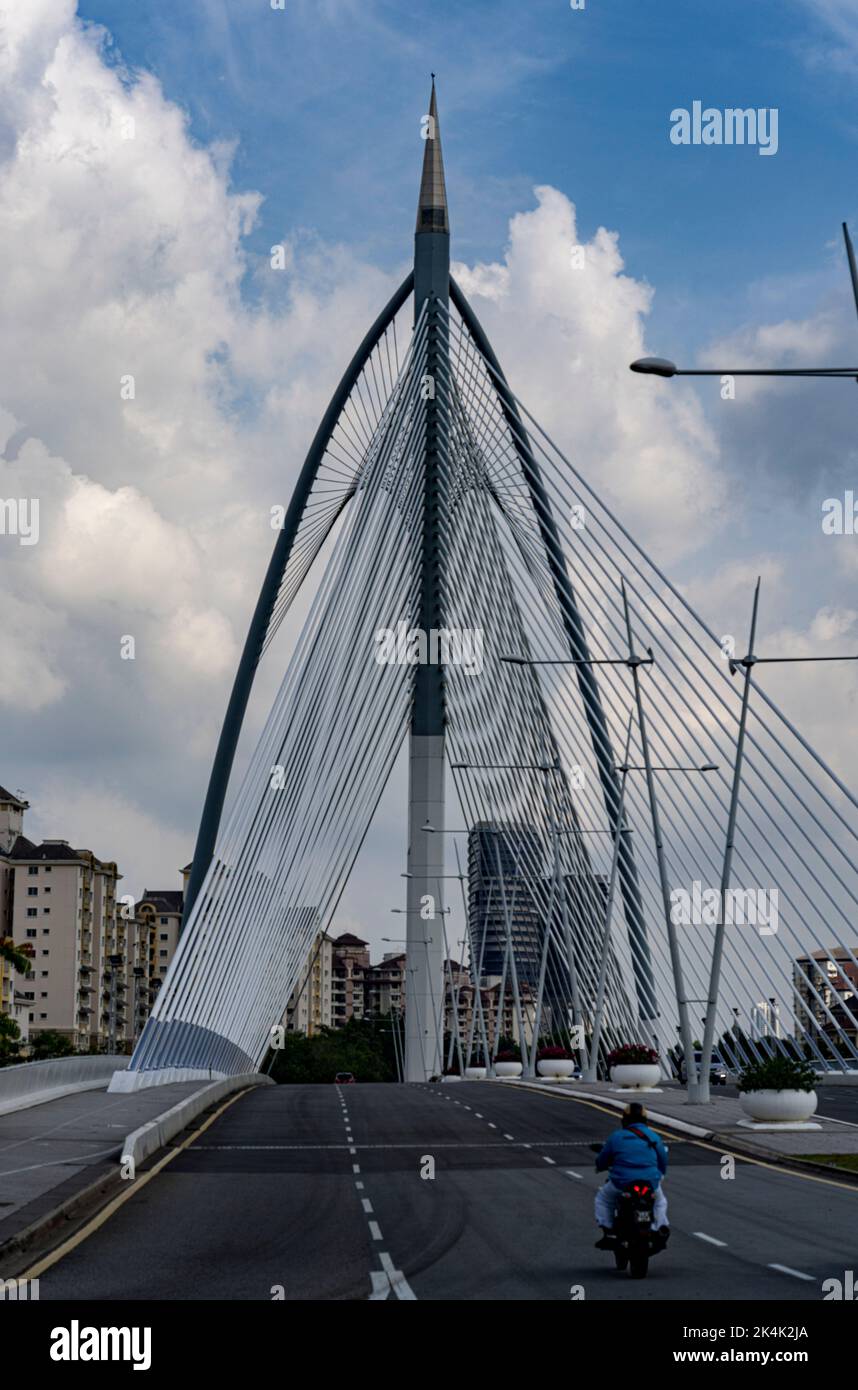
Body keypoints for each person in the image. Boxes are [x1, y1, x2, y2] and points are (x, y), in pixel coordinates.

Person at [593, 1102, 669, 1250]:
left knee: (603, 1199)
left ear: (624, 1120)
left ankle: (608, 1231)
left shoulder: (617, 1137)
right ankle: (658, 1227)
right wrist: (659, 1174)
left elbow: (603, 1159)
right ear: (645, 1119)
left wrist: (600, 1166)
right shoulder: (653, 1136)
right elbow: (663, 1160)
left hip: (621, 1182)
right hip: (650, 1182)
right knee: (660, 1202)